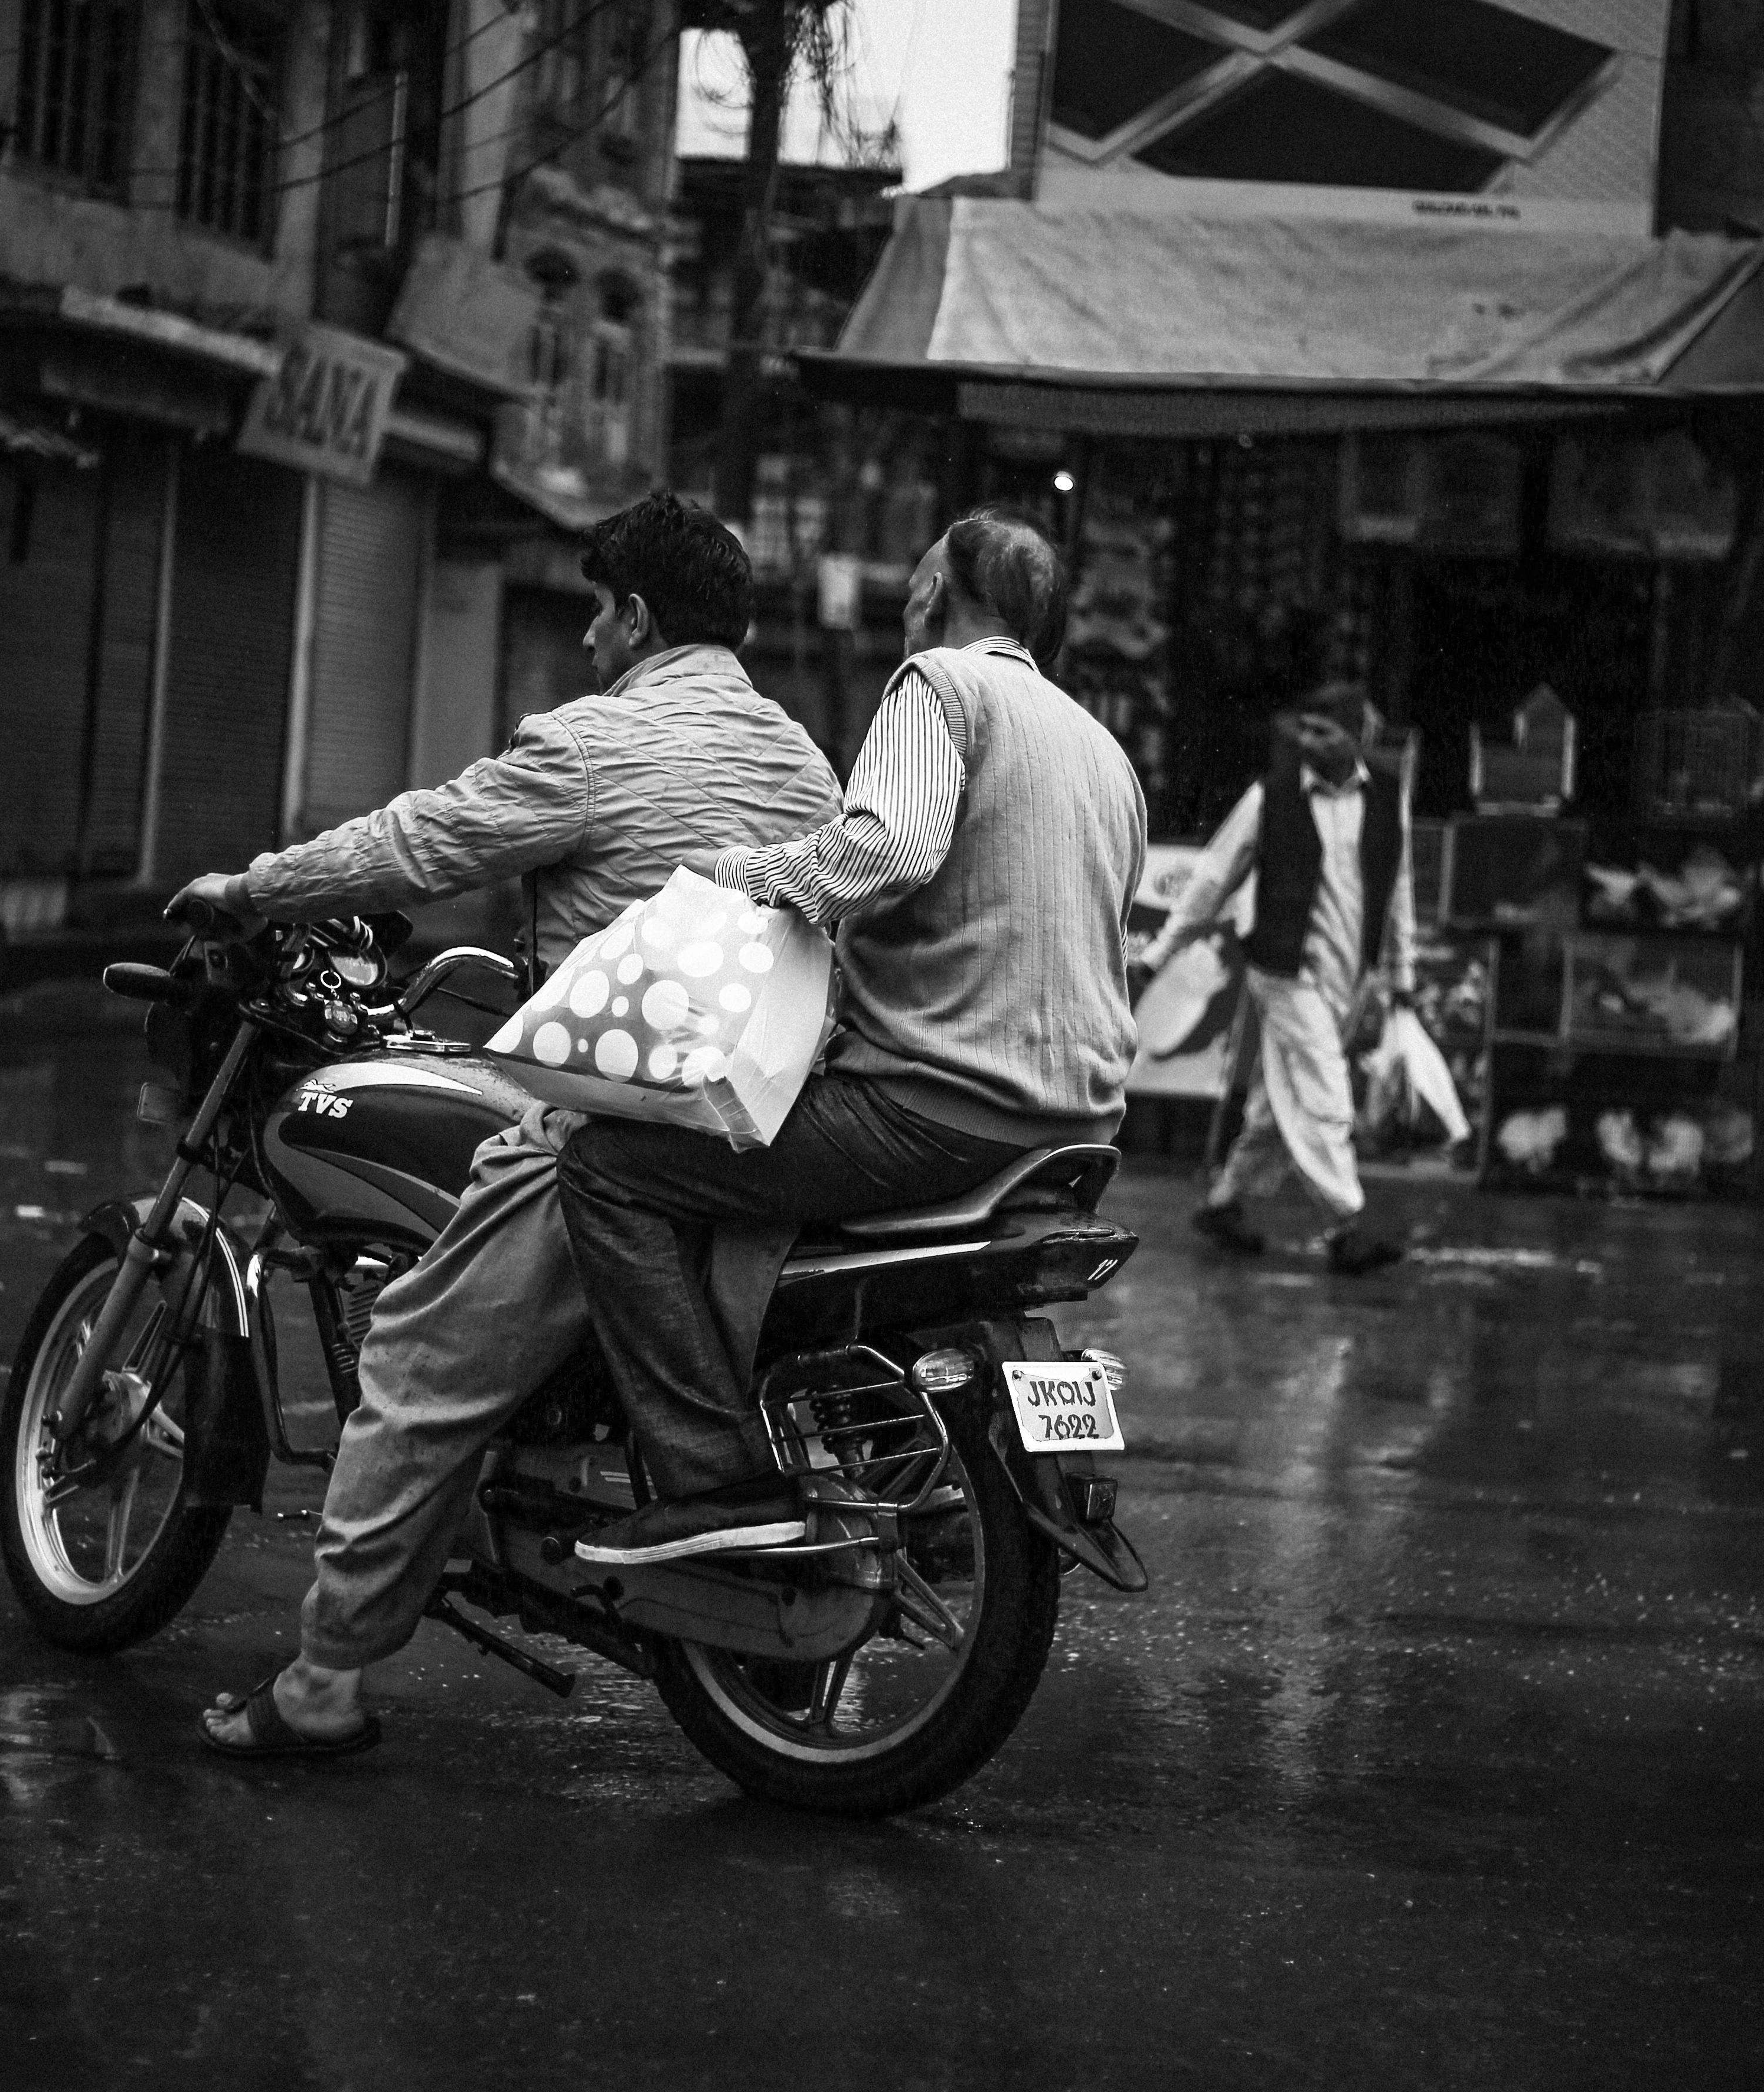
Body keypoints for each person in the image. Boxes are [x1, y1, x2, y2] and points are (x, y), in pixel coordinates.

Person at [176, 492, 841, 1757]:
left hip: (617, 1113)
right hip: (769, 1123)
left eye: (599, 609)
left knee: (418, 1362)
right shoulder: (802, 757)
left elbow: (423, 840)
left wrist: (255, 890)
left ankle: (321, 1685)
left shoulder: (597, 740)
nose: (590, 634)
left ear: (636, 616)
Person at [554, 510, 1148, 1568]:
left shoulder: (937, 688)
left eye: (915, 581)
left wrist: (746, 875)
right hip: (1075, 1127)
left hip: (936, 1105)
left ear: (938, 598)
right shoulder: (1099, 746)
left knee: (610, 1168)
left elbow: (890, 847)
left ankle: (712, 1478)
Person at [1137, 684, 1411, 1277]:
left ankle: (1224, 1203)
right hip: (1282, 972)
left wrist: (1401, 976)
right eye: (1304, 731)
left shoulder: (1388, 798)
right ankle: (1347, 1224)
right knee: (1323, 1090)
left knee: (1274, 1105)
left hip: (1346, 980)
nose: (1309, 743)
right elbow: (1212, 878)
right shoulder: (1272, 797)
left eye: (1324, 732)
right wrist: (1161, 951)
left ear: (1357, 736)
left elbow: (1398, 893)